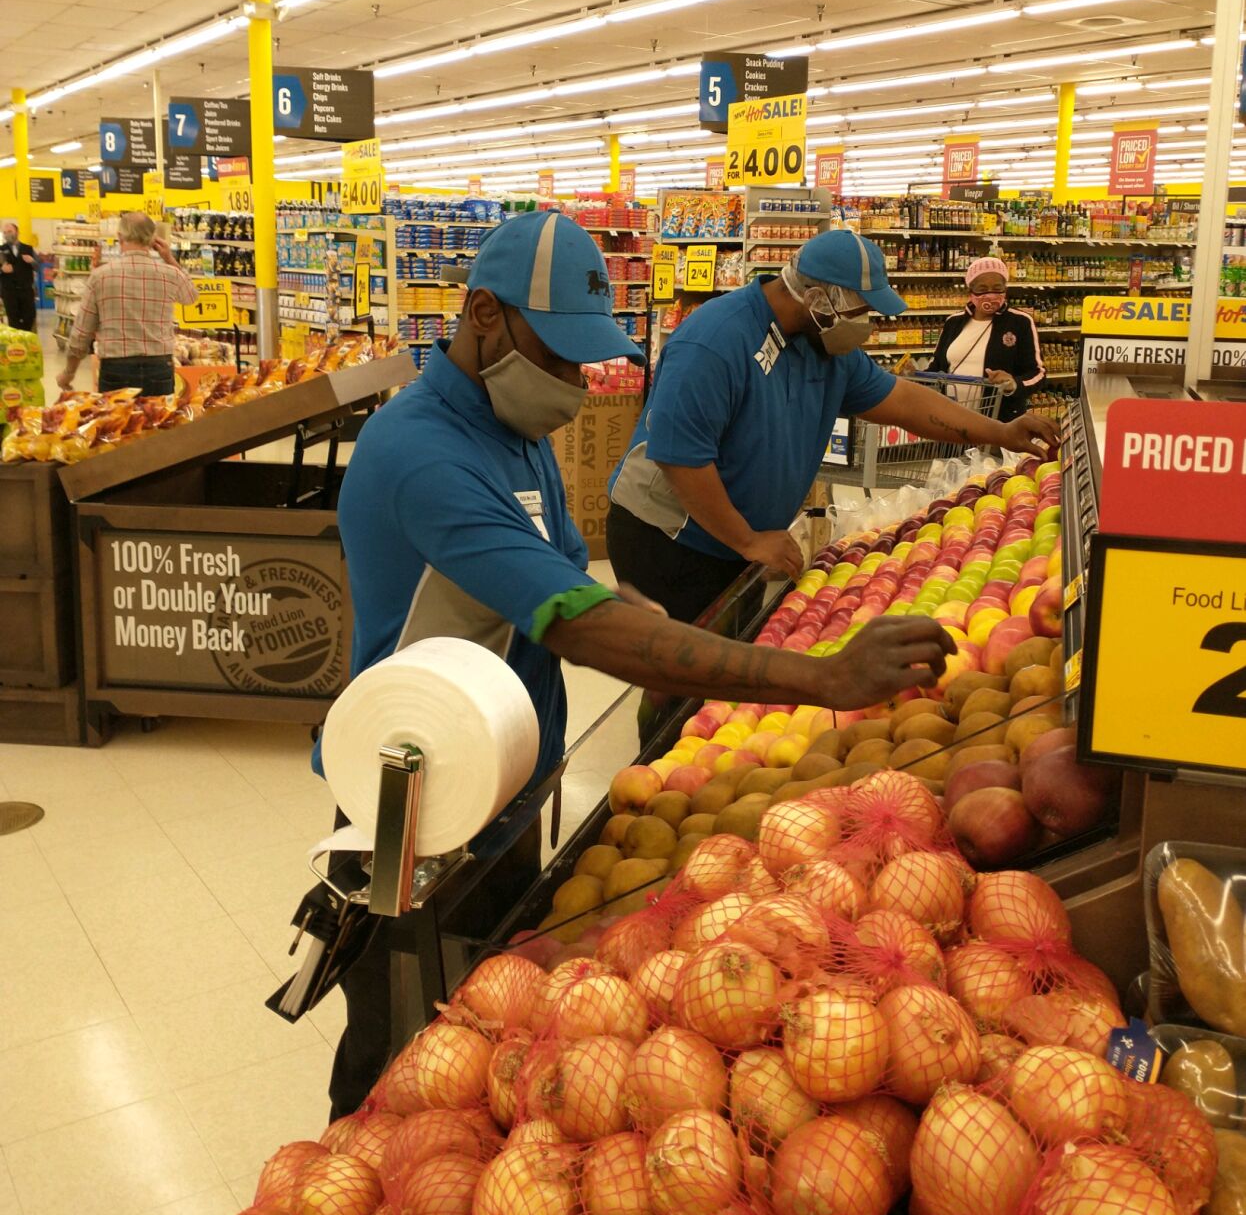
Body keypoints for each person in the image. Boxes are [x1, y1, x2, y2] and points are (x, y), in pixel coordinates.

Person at [326, 210, 954, 1115]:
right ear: (482, 315)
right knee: (399, 1045)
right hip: (411, 796)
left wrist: (640, 610)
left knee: (475, 1011)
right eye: (560, 356)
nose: (578, 384)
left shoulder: (517, 435)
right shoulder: (423, 452)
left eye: (587, 360)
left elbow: (567, 582)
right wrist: (820, 678)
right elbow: (574, 623)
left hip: (502, 769)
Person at [606, 229, 1061, 623]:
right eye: (860, 309)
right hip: (670, 537)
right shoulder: (716, 340)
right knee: (681, 680)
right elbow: (679, 455)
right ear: (819, 298)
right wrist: (747, 539)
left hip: (735, 540)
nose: (864, 323)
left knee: (721, 671)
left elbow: (902, 399)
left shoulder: (825, 345)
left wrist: (999, 432)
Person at [56, 210, 197, 397]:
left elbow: (82, 333)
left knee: (117, 424)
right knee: (159, 423)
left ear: (120, 237)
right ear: (153, 240)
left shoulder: (100, 276)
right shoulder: (169, 274)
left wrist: (69, 373)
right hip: (159, 367)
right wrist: (169, 259)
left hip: (116, 369)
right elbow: (191, 296)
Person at [927, 256, 1045, 422]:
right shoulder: (953, 322)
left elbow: (1038, 373)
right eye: (982, 288)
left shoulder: (1020, 322)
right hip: (951, 420)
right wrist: (911, 375)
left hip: (998, 423)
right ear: (971, 291)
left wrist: (1013, 383)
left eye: (997, 288)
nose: (990, 295)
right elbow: (936, 367)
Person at [0, 221, 38, 331]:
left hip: (26, 291)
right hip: (9, 292)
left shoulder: (28, 249)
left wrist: (32, 261)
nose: (7, 234)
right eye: (5, 232)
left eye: (10, 231)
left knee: (29, 317)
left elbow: (37, 267)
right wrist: (1, 269)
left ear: (17, 232)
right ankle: (17, 345)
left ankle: (27, 343)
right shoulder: (1, 250)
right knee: (13, 320)